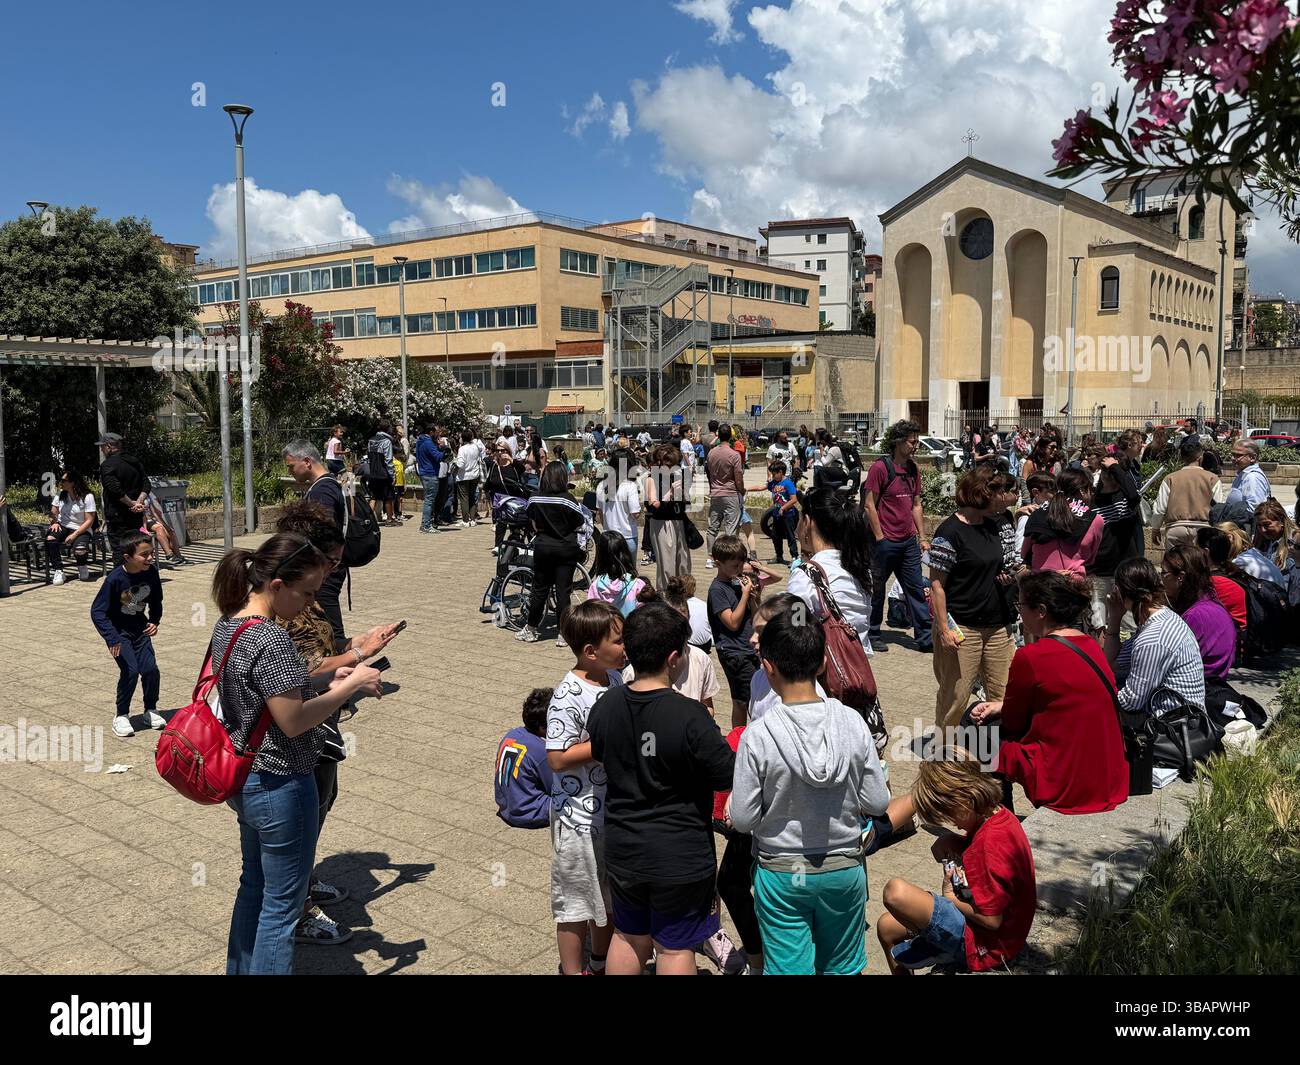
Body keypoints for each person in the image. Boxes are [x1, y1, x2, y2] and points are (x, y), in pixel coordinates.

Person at [210, 533, 382, 975]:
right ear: (278, 585)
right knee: (281, 908)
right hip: (280, 782)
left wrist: (324, 679)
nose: (307, 604)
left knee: (254, 887)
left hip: (244, 775)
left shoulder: (230, 624)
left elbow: (265, 694)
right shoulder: (271, 639)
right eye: (305, 593)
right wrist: (350, 685)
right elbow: (292, 720)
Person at [729, 607, 890, 975]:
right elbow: (878, 802)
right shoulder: (851, 721)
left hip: (782, 873)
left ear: (767, 666)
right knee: (842, 967)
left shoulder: (759, 735)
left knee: (788, 969)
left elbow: (742, 818)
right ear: (821, 664)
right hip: (843, 869)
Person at [273, 501, 398, 945]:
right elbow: (303, 668)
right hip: (295, 733)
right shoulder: (280, 610)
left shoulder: (302, 599)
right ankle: (297, 909)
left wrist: (359, 644)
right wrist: (357, 662)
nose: (329, 576)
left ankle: (302, 886)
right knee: (301, 817)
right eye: (327, 564)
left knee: (321, 801)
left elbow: (323, 652)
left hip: (317, 721)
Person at [589, 600, 736, 975]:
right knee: (673, 948)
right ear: (674, 657)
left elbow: (605, 755)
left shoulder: (605, 706)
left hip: (624, 848)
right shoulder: (690, 716)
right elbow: (727, 775)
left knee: (628, 936)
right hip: (679, 855)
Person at [968, 571, 1129, 814]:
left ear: (1041, 611)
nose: (1019, 611)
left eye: (1021, 605)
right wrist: (1001, 705)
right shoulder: (1091, 646)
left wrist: (1003, 709)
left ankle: (999, 819)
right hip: (1106, 773)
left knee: (974, 730)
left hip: (1064, 779)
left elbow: (1013, 723)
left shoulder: (1030, 657)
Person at [877, 750, 1035, 974]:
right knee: (886, 928)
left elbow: (992, 921)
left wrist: (949, 897)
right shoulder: (1000, 817)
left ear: (963, 799)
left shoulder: (988, 846)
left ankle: (943, 947)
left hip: (986, 945)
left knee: (896, 892)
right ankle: (934, 942)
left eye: (949, 814)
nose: (951, 822)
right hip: (999, 933)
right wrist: (955, 841)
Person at [546, 600, 626, 975]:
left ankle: (601, 960)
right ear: (591, 652)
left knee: (607, 896)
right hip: (577, 818)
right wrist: (605, 743)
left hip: (610, 810)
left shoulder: (614, 678)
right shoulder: (567, 696)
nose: (625, 647)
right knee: (575, 900)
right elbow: (557, 758)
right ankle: (572, 968)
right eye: (618, 641)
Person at [929, 467, 1017, 728]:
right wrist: (944, 629)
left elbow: (1004, 563)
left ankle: (995, 757)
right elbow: (936, 585)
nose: (1004, 497)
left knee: (1003, 695)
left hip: (998, 626)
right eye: (998, 492)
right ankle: (943, 758)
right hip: (963, 628)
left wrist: (1009, 576)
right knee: (956, 697)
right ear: (982, 494)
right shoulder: (949, 532)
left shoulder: (997, 524)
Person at [1104, 557, 1206, 716]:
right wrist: (1115, 618)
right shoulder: (1160, 617)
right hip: (1172, 714)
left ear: (1119, 590)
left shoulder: (1154, 637)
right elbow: (1112, 664)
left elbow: (1131, 702)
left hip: (1172, 724)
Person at [865, 420, 932, 652]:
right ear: (898, 442)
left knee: (915, 589)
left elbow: (916, 505)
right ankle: (873, 633)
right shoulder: (880, 469)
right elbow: (869, 506)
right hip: (884, 543)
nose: (916, 445)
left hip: (908, 543)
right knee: (877, 590)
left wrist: (922, 537)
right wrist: (880, 538)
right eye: (913, 441)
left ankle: (925, 637)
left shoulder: (912, 469)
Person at [91, 531, 164, 738]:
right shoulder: (114, 579)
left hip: (140, 630)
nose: (150, 558)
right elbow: (97, 611)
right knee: (130, 670)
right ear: (128, 557)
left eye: (151, 553)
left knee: (150, 669)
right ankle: (121, 715)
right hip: (118, 634)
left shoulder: (151, 573)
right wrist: (111, 638)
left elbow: (156, 601)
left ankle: (150, 709)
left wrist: (154, 621)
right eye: (144, 555)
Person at [788, 485, 877, 650]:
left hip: (824, 671)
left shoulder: (805, 575)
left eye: (799, 519)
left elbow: (796, 628)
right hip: (858, 668)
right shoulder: (860, 569)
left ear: (806, 522)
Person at [709, 535, 780, 728]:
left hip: (748, 647)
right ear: (718, 563)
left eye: (741, 565)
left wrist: (752, 598)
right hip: (733, 651)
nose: (739, 570)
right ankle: (739, 738)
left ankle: (741, 736)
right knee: (744, 700)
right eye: (734, 567)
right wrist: (745, 595)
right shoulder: (717, 590)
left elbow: (755, 617)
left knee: (746, 698)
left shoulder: (737, 583)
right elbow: (732, 622)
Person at [282, 440, 349, 642]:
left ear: (307, 461)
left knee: (329, 625)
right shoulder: (326, 485)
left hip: (325, 568)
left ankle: (345, 664)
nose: (291, 471)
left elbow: (322, 534)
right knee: (322, 622)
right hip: (325, 567)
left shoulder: (323, 491)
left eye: (291, 466)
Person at [517, 461, 590, 645]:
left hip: (543, 547)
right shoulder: (568, 499)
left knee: (539, 590)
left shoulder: (535, 498)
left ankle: (532, 629)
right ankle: (563, 634)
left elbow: (531, 521)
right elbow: (579, 522)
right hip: (566, 548)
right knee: (563, 591)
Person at [637, 585, 720, 715]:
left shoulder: (700, 658)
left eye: (684, 624)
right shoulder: (637, 668)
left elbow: (708, 706)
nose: (680, 631)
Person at [1161, 542, 1236, 681]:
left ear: (1180, 577)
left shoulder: (1195, 616)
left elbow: (1164, 664)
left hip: (1197, 690)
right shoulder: (1211, 604)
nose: (1161, 580)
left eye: (1164, 573)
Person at [1088, 457, 1143, 631]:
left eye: (1113, 473)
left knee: (1129, 624)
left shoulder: (1126, 498)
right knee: (1099, 622)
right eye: (1106, 472)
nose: (1110, 476)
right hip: (1100, 570)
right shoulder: (1092, 502)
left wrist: (1115, 467)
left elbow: (1134, 495)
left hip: (1126, 570)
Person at [1019, 468, 1103, 575]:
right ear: (1083, 491)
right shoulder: (1094, 519)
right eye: (1090, 490)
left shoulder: (1037, 513)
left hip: (1041, 584)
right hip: (1073, 584)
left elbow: (1024, 553)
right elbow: (1090, 558)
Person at [495, 688, 555, 830]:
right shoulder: (541, 750)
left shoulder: (512, 735)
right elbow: (555, 787)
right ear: (542, 727)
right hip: (530, 812)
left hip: (507, 806)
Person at [1149, 437, 1224, 548]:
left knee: (1175, 563)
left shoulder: (1170, 478)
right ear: (1200, 458)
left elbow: (1160, 508)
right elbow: (1219, 507)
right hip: (1203, 530)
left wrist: (1156, 528)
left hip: (1175, 528)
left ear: (1182, 457)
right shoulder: (1212, 479)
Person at [96, 431, 150, 567]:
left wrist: (132, 503)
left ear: (109, 446)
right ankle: (137, 574)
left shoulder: (108, 465)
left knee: (121, 549)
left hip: (118, 517)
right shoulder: (134, 461)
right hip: (135, 515)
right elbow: (146, 484)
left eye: (102, 446)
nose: (101, 449)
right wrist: (139, 502)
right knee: (135, 547)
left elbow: (114, 490)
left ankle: (123, 580)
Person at [645, 443, 691, 592]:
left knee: (683, 563)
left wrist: (683, 493)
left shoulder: (679, 476)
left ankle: (684, 594)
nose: (671, 468)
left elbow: (685, 504)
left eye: (674, 464)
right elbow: (653, 506)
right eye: (668, 463)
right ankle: (665, 595)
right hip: (661, 524)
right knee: (667, 565)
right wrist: (669, 493)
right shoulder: (651, 479)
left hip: (679, 522)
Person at [704, 424, 746, 566]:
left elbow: (708, 473)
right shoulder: (734, 455)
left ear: (718, 436)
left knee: (712, 527)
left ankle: (710, 557)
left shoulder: (711, 453)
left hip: (715, 494)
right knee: (731, 528)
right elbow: (738, 477)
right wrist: (742, 490)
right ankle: (728, 557)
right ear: (731, 436)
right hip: (730, 493)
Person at [45, 469, 96, 585]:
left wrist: (74, 534)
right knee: (50, 539)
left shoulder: (87, 496)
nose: (61, 483)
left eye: (64, 481)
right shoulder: (60, 495)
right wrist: (54, 522)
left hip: (81, 527)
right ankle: (58, 570)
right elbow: (53, 513)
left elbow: (89, 520)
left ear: (73, 483)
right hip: (64, 525)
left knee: (80, 549)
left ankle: (82, 565)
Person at [586, 530, 649, 618]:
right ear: (626, 553)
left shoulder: (595, 587)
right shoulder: (638, 585)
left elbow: (591, 617)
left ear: (600, 557)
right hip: (632, 630)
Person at [1196, 527, 1247, 629]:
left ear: (1205, 552)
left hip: (1235, 638)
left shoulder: (1214, 583)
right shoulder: (1235, 572)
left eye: (1195, 549)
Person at [595, 450, 642, 557]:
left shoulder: (601, 485)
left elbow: (601, 513)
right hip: (627, 537)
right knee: (628, 572)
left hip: (608, 537)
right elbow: (635, 514)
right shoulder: (630, 486)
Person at [486, 441, 530, 551]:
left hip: (514, 499)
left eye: (503, 450)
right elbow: (489, 481)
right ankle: (498, 545)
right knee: (500, 523)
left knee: (515, 524)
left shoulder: (514, 465)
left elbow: (522, 469)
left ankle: (518, 545)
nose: (500, 453)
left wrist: (511, 460)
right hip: (500, 500)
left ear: (508, 451)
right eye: (498, 451)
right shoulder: (494, 466)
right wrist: (485, 492)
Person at [763, 460, 800, 564]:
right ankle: (779, 556)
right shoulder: (774, 483)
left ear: (780, 472)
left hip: (788, 515)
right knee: (775, 536)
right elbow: (763, 487)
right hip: (777, 514)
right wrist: (746, 489)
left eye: (774, 474)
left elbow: (793, 499)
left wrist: (783, 508)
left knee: (790, 536)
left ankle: (795, 557)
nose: (773, 476)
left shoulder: (788, 483)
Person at [1225, 440, 1271, 521]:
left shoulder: (1252, 477)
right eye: (1232, 454)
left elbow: (1255, 509)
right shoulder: (1243, 474)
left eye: (1238, 455)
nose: (1233, 458)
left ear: (1252, 458)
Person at [364, 420, 397, 525]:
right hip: (384, 474)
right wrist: (392, 475)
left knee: (374, 497)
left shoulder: (371, 440)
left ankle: (367, 518)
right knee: (388, 497)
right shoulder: (386, 441)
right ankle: (389, 519)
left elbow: (369, 458)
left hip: (373, 473)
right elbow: (388, 460)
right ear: (388, 429)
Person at [415, 424, 446, 534]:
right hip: (430, 473)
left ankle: (426, 524)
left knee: (429, 499)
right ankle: (426, 525)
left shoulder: (420, 441)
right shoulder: (428, 443)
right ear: (431, 432)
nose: (439, 434)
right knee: (429, 500)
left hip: (424, 472)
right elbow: (438, 457)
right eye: (437, 432)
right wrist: (444, 449)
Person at [1251, 498, 1294, 575]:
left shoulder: (1294, 545)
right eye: (1259, 525)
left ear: (1281, 521)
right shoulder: (1261, 543)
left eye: (1267, 525)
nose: (1262, 530)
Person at [452, 430, 484, 528]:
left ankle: (465, 520)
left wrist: (454, 461)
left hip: (464, 476)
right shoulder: (476, 447)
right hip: (474, 475)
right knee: (472, 496)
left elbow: (461, 464)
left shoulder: (462, 449)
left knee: (464, 498)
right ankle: (473, 519)